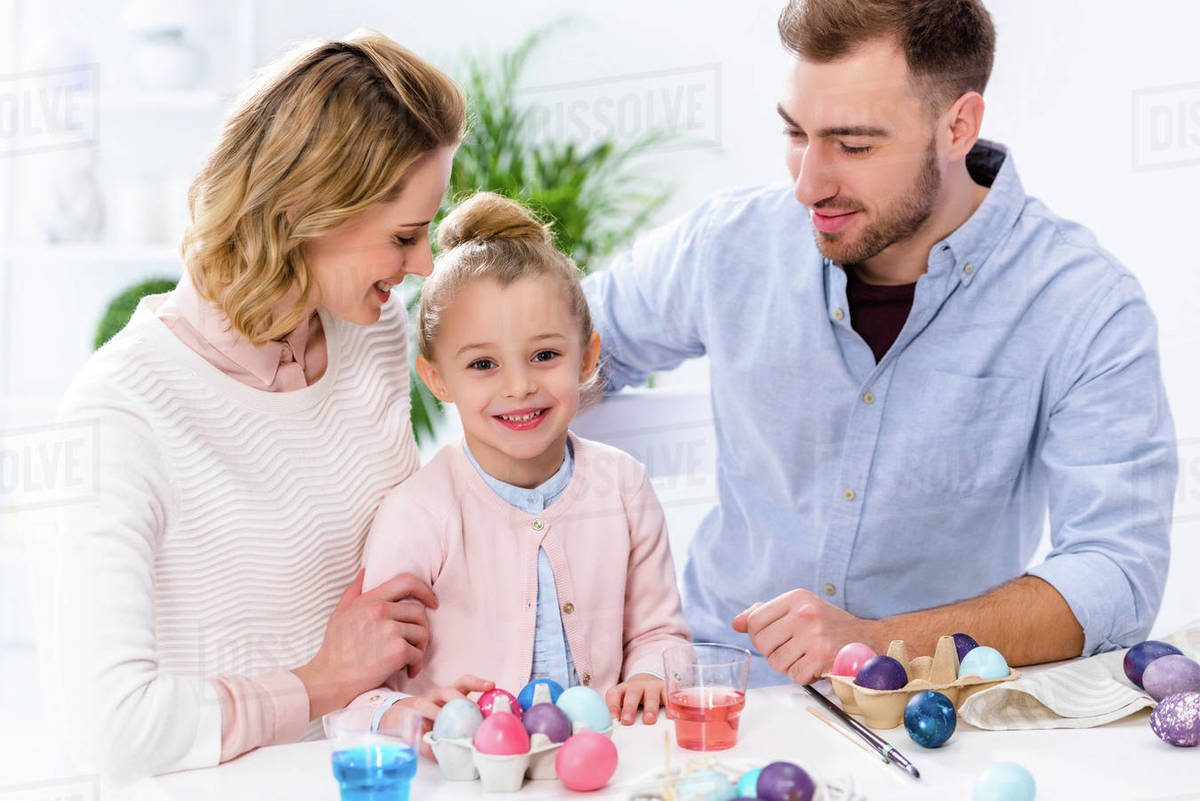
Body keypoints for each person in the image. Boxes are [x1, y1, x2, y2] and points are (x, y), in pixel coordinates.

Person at [583, 0, 1177, 688]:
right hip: (723, 697)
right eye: (796, 133)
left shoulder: (1082, 302)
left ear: (957, 126)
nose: (808, 183)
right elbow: (569, 345)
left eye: (854, 145)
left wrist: (878, 642)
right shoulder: (731, 243)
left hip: (938, 711)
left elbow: (1116, 570)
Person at [49, 33, 464, 777]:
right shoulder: (124, 407)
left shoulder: (371, 335)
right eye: (404, 235)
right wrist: (318, 681)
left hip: (375, 773)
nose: (425, 263)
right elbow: (106, 726)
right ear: (309, 208)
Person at [360, 192, 691, 731]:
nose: (519, 386)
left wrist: (653, 675)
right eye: (483, 363)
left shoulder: (624, 487)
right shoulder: (419, 513)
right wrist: (408, 712)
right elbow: (368, 689)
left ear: (586, 357)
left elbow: (659, 634)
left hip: (605, 770)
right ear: (438, 378)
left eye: (544, 355)